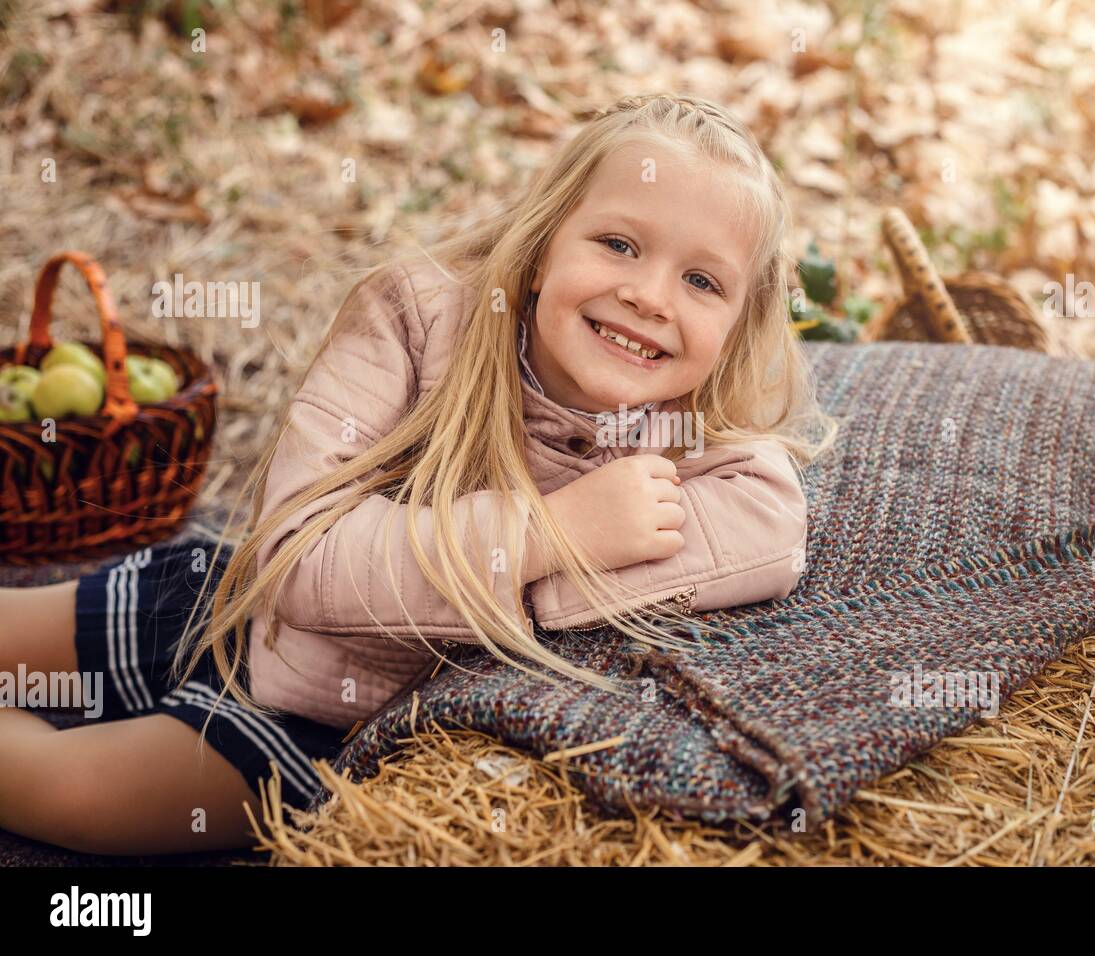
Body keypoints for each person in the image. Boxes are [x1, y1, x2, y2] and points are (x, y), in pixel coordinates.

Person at [0, 93, 838, 856]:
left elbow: (769, 530)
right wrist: (550, 536)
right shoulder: (415, 315)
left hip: (325, 725)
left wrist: (539, 588)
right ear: (543, 246)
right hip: (231, 602)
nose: (651, 296)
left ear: (737, 325)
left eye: (701, 281)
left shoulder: (698, 437)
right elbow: (296, 560)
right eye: (618, 244)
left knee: (76, 793)